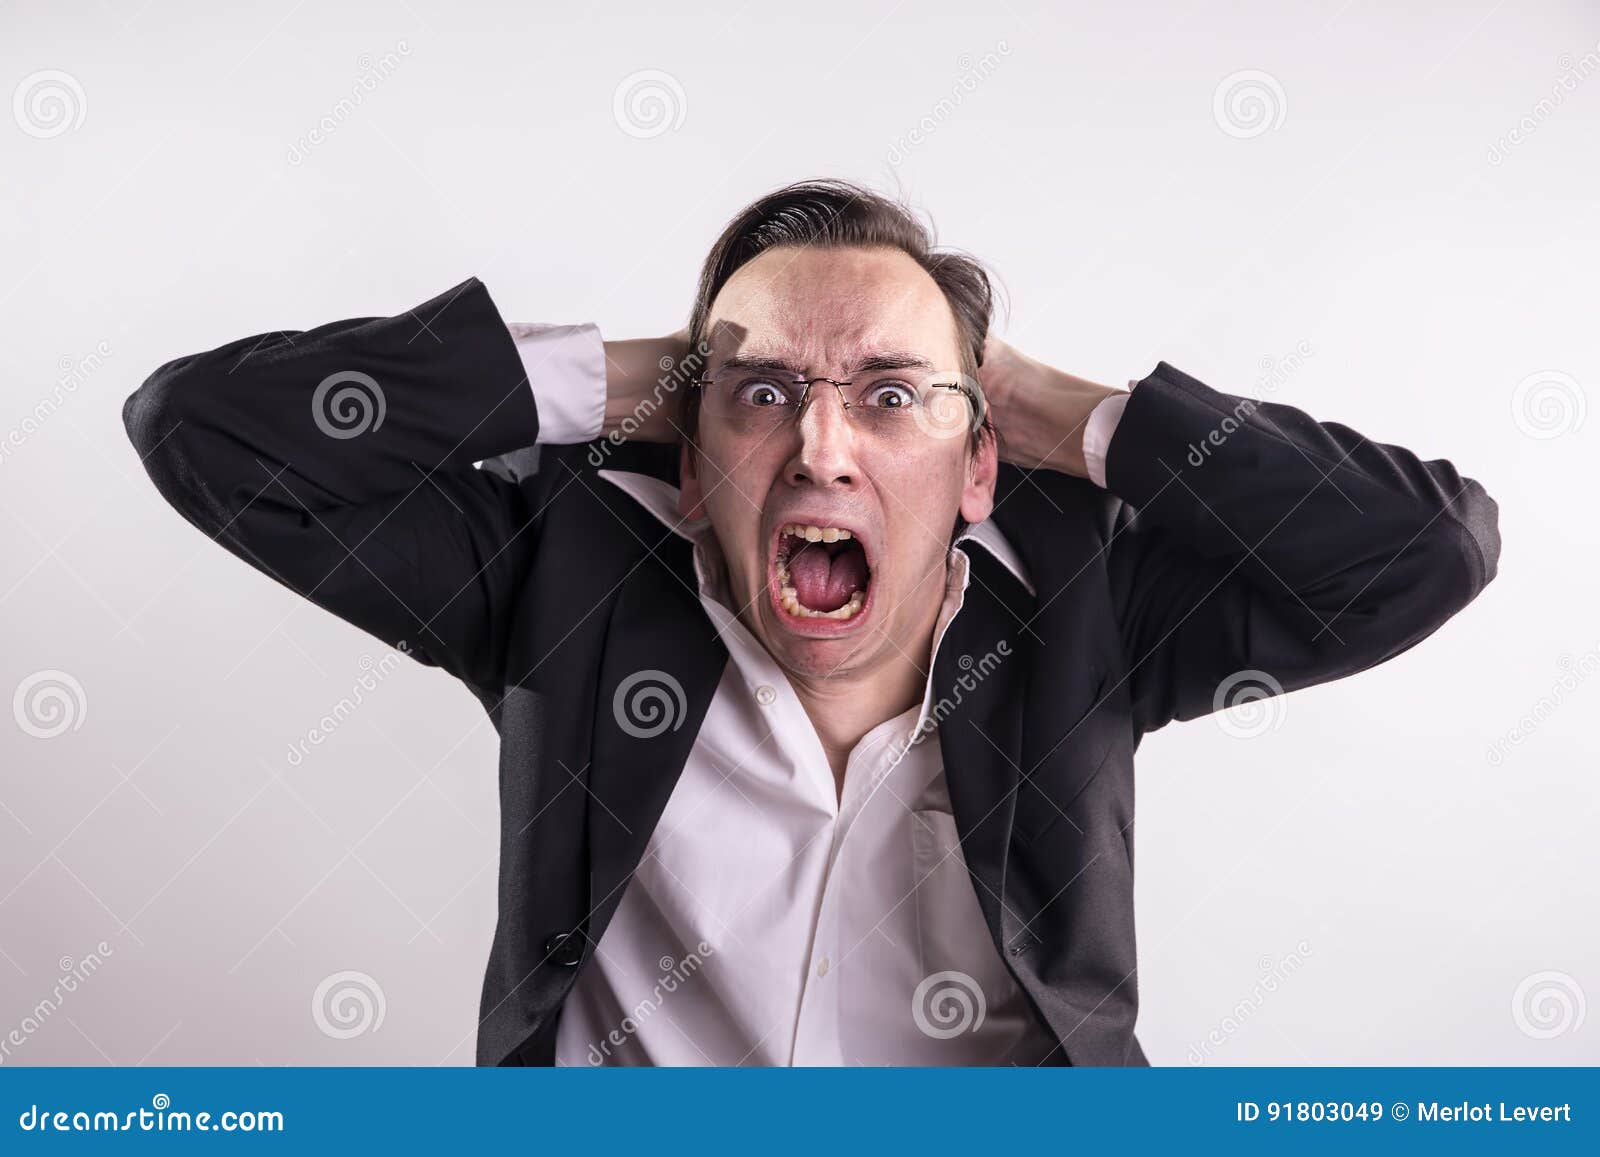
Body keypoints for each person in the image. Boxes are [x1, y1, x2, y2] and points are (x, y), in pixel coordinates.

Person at [122, 179, 1500, 1066]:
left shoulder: (1092, 598)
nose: (822, 448)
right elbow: (203, 434)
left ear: (978, 467)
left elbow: (1426, 549)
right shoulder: (561, 572)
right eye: (764, 392)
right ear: (685, 448)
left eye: (891, 395)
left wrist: (1078, 417)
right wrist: (611, 381)